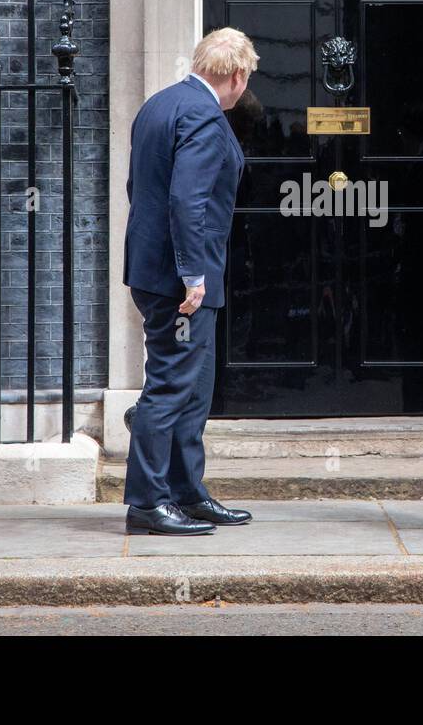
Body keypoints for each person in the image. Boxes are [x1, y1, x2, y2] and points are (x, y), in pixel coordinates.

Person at [121, 27, 258, 536]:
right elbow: (186, 199)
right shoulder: (202, 114)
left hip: (156, 269)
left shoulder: (160, 103)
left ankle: (185, 492)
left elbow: (140, 187)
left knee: (193, 388)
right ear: (238, 75)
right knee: (171, 385)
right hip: (182, 280)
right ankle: (147, 502)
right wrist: (191, 275)